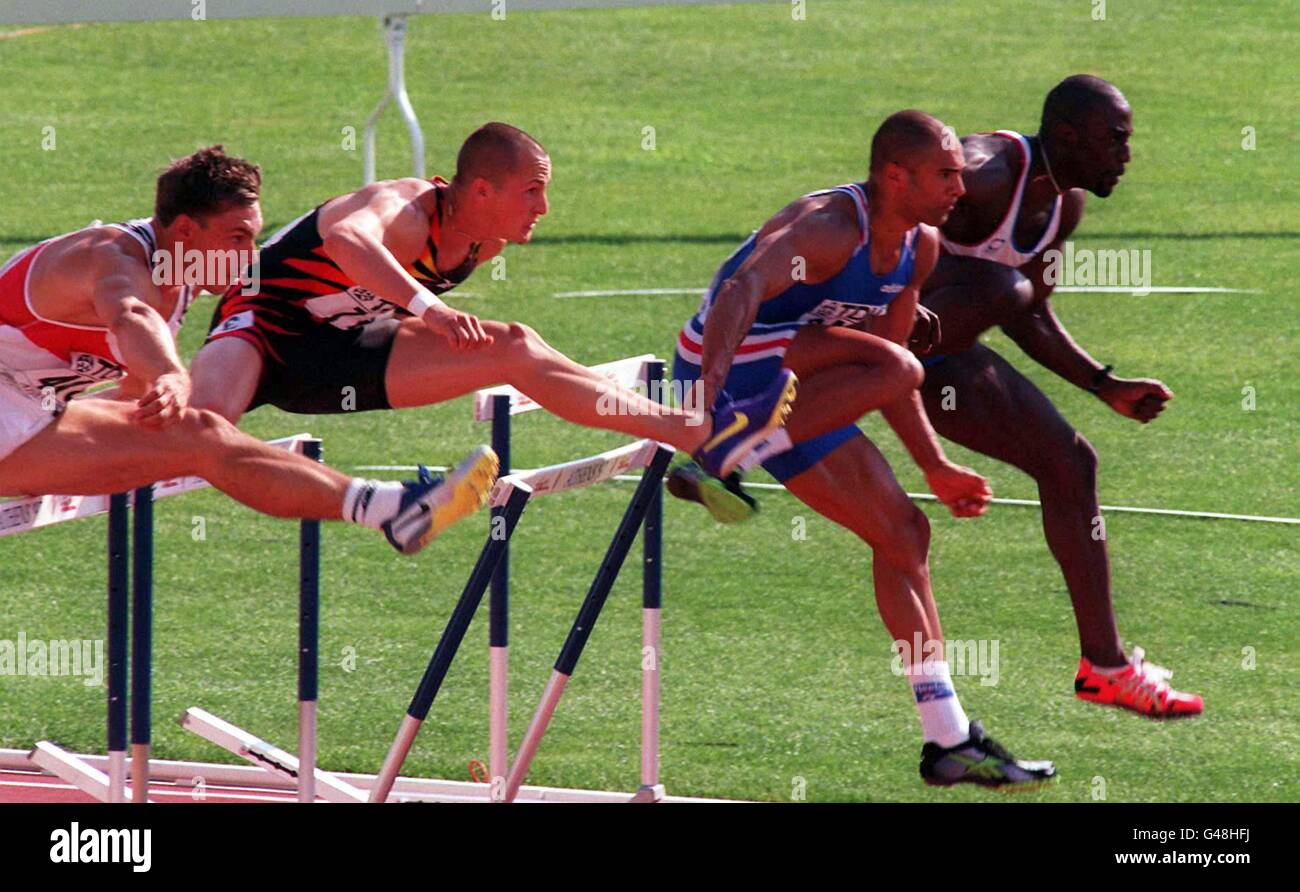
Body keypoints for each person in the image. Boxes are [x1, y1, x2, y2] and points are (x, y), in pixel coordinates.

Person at [670, 111, 1055, 788]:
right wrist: (703, 405)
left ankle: (948, 739)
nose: (959, 188)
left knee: (904, 532)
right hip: (723, 370)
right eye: (944, 174)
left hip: (789, 391)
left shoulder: (921, 247)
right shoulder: (828, 227)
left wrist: (933, 465)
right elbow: (738, 289)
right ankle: (727, 444)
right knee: (899, 370)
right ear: (894, 175)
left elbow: (887, 363)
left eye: (959, 175)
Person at [190, 123, 794, 480]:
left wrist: (424, 317)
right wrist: (433, 311)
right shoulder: (404, 210)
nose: (544, 208)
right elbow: (346, 240)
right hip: (259, 328)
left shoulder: (483, 240)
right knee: (197, 433)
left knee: (514, 346)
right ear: (480, 190)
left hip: (339, 355)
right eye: (532, 191)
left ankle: (695, 431)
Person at [0, 146, 496, 556]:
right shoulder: (110, 258)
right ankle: (392, 508)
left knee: (194, 435)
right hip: (10, 405)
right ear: (185, 232)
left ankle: (392, 508)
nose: (248, 257)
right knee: (199, 437)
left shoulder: (180, 275)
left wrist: (77, 446)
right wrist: (170, 374)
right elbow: (131, 316)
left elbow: (131, 395)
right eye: (236, 238)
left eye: (254, 237)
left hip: (20, 410)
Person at [917, 75, 1202, 717]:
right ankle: (759, 423)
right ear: (1068, 136)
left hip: (938, 358)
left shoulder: (1064, 206)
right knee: (1001, 289)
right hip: (874, 334)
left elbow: (1030, 314)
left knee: (1073, 464)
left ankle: (1106, 668)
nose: (1126, 157)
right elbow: (893, 223)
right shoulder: (985, 171)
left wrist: (1104, 384)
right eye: (1116, 141)